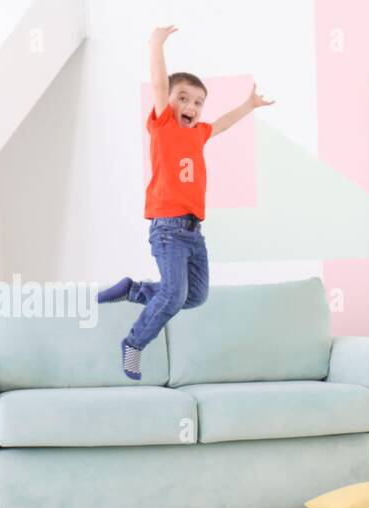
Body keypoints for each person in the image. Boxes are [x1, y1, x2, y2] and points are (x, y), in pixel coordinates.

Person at [97, 25, 273, 379]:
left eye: (197, 101)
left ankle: (132, 290)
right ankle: (133, 343)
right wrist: (157, 45)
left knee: (194, 296)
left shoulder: (198, 134)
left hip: (194, 232)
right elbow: (160, 84)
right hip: (167, 229)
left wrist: (248, 106)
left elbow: (221, 124)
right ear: (169, 103)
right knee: (175, 293)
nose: (190, 106)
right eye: (183, 98)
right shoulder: (164, 127)